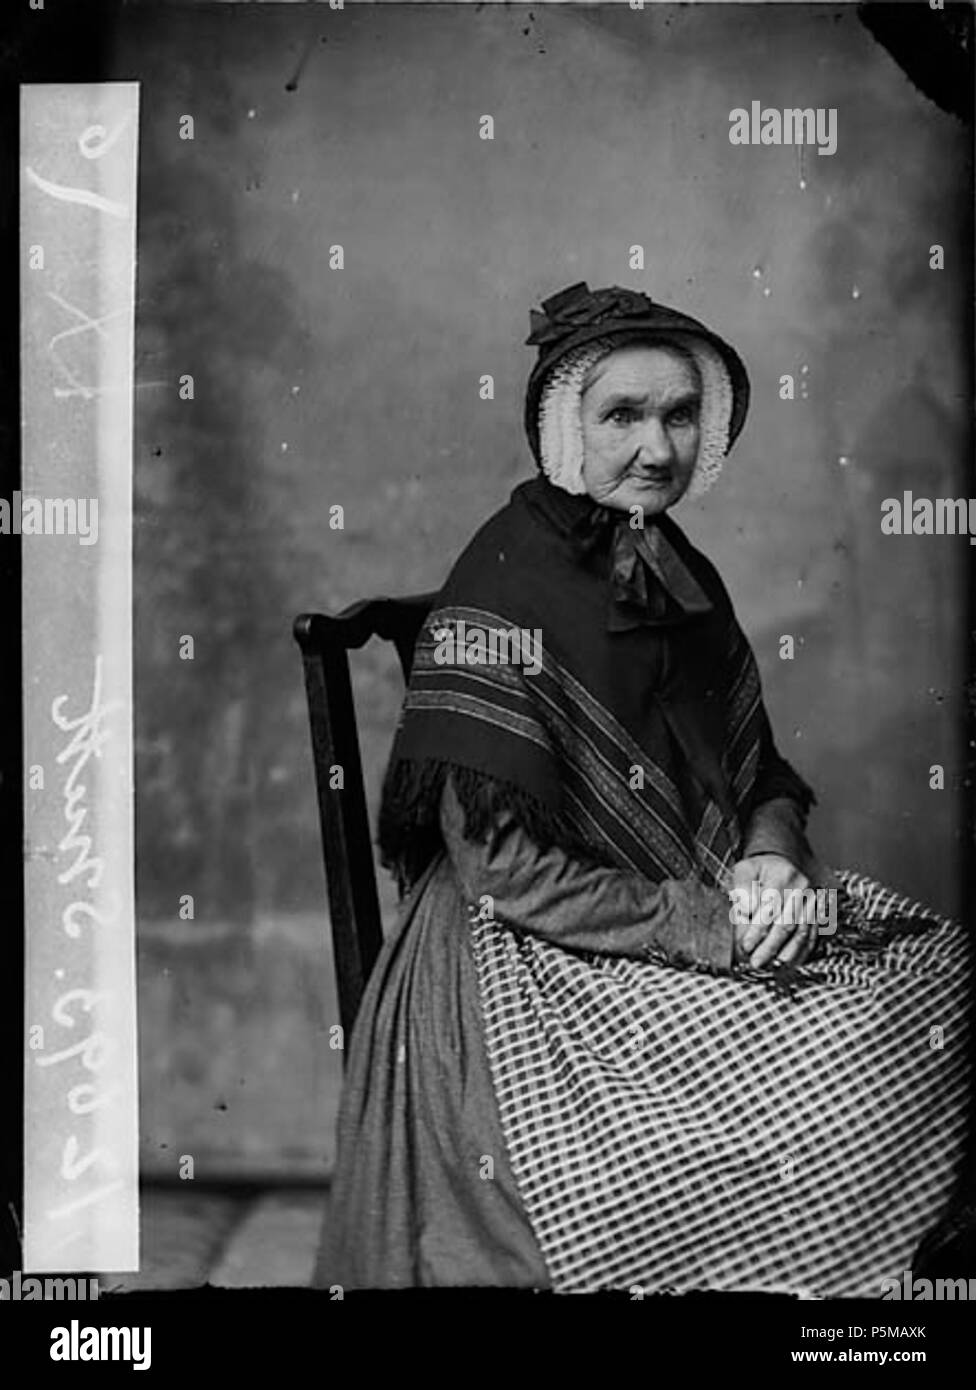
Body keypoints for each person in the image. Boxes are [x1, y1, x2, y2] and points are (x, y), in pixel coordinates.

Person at [313, 282, 971, 1294]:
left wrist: (765, 855)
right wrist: (711, 920)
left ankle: (884, 1272)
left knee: (939, 975)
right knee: (846, 1051)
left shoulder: (670, 562)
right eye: (623, 415)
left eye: (677, 414)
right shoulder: (501, 587)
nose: (656, 447)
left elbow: (758, 770)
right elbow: (510, 876)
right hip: (523, 955)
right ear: (562, 426)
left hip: (678, 902)